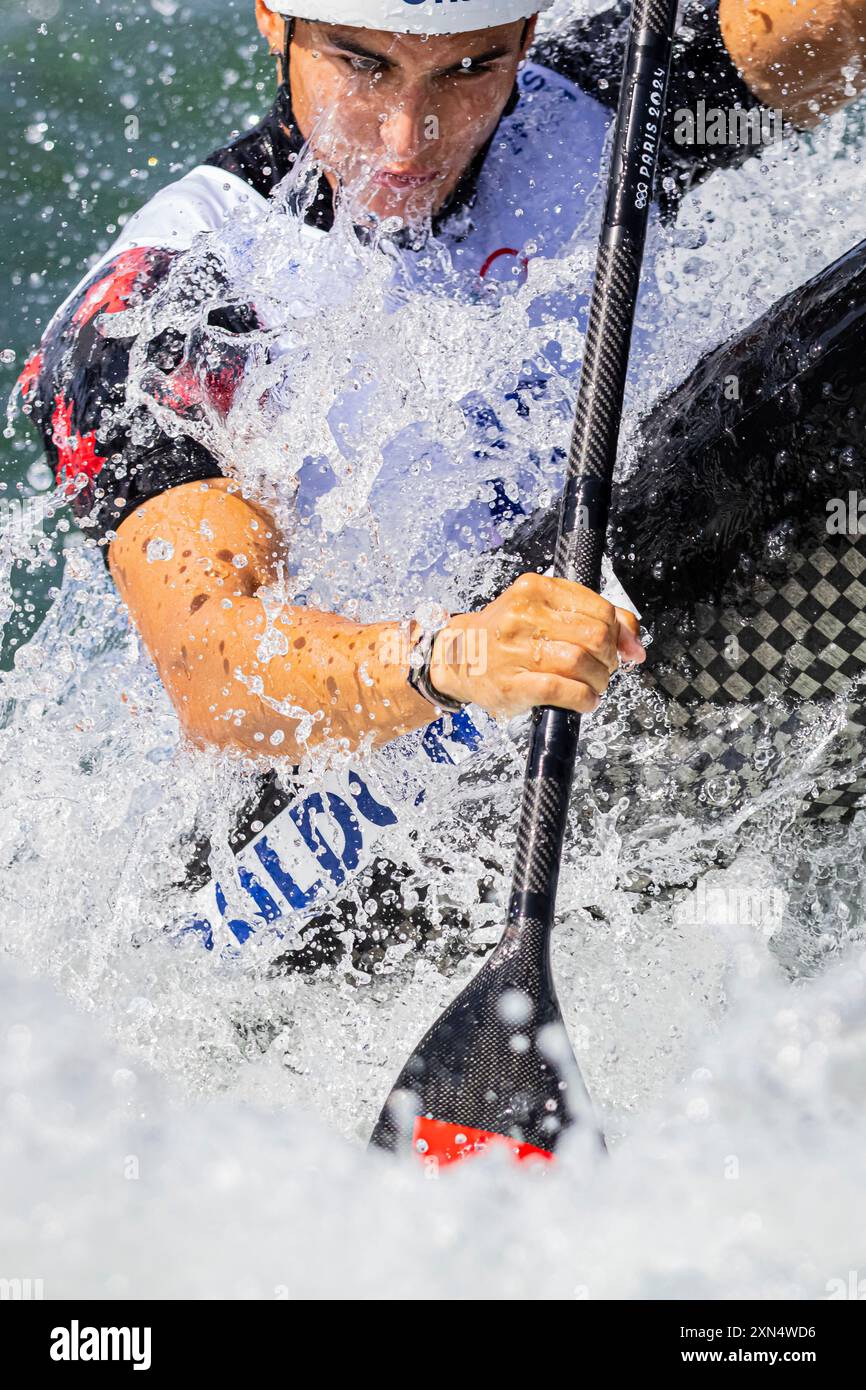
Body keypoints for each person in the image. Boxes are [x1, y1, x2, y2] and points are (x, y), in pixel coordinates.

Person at [17, 0, 866, 962]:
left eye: (469, 70)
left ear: (528, 34)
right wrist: (453, 659)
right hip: (333, 846)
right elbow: (216, 672)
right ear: (272, 19)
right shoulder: (169, 301)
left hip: (625, 637)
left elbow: (820, 27)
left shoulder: (597, 100)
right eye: (363, 65)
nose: (408, 135)